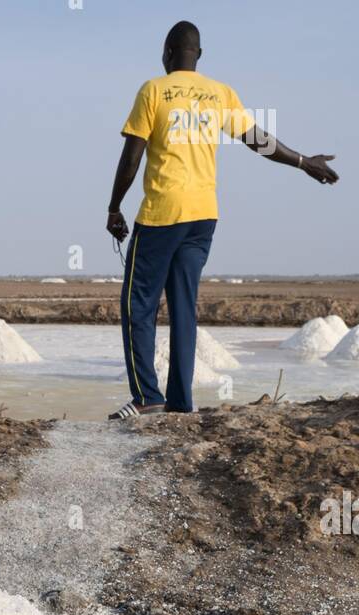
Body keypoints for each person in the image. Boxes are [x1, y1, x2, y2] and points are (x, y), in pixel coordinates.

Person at [107, 21, 338, 420]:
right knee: (183, 308)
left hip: (163, 213)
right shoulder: (219, 93)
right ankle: (180, 404)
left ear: (166, 53)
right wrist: (303, 162)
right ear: (199, 55)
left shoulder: (153, 91)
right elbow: (258, 141)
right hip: (203, 217)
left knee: (137, 305)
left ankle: (147, 395)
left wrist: (114, 207)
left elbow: (132, 157)